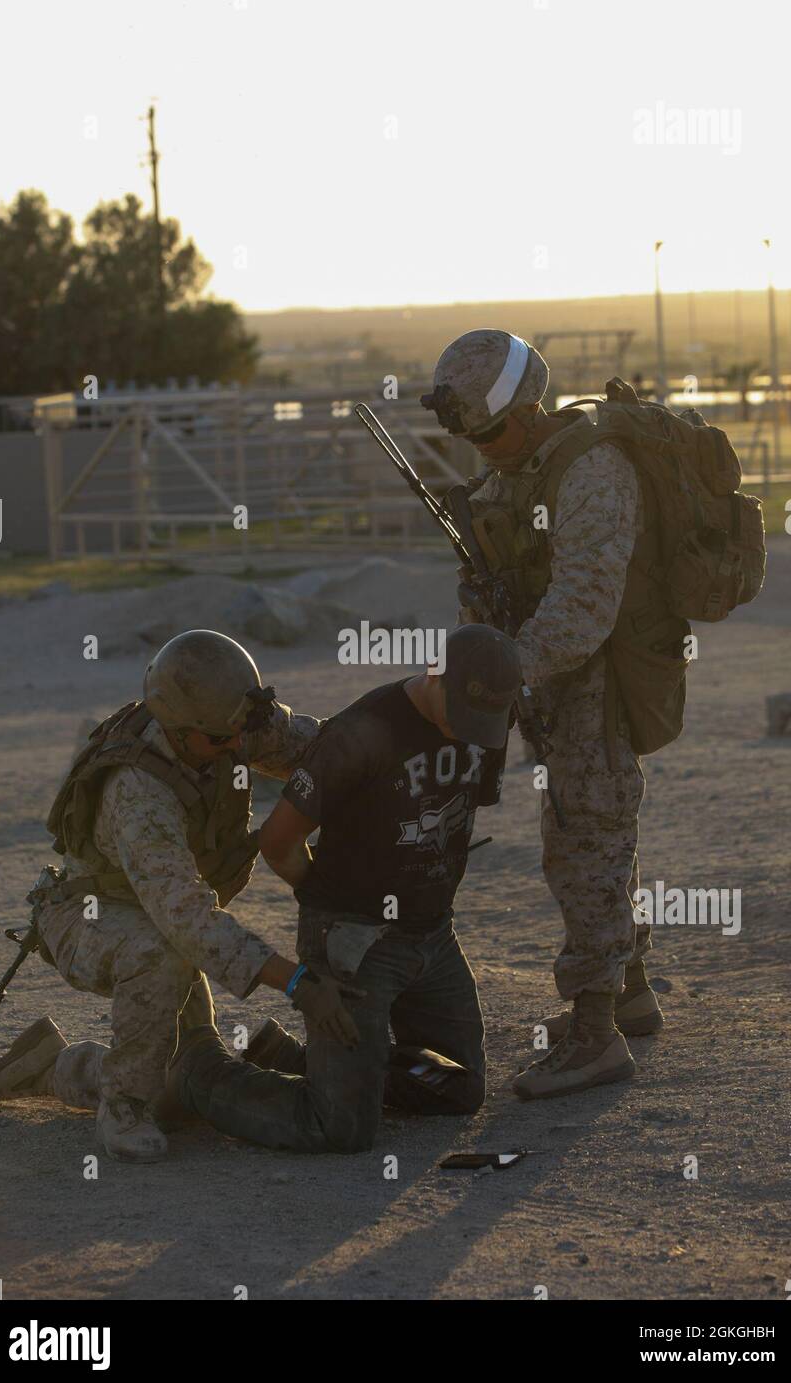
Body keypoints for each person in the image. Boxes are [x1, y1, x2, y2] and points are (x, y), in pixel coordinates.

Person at [0, 630, 342, 1163]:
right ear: (179, 730)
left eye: (241, 735)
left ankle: (53, 1065)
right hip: (90, 917)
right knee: (159, 960)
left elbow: (326, 748)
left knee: (180, 1086)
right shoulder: (137, 788)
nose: (236, 749)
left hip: (156, 916)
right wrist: (295, 981)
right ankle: (123, 1107)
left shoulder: (225, 722)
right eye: (219, 742)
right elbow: (184, 918)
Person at [421, 330, 668, 1101]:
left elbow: (586, 605)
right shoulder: (514, 471)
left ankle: (596, 1035)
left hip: (598, 673)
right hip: (549, 676)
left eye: (490, 432)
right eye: (467, 435)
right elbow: (494, 574)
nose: (480, 448)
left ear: (530, 408)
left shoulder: (593, 468)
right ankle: (627, 989)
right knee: (592, 826)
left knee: (583, 836)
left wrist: (507, 667)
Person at [166, 624, 520, 1153]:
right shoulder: (363, 732)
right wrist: (330, 901)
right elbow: (277, 840)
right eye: (464, 717)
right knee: (339, 1127)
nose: (471, 732)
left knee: (459, 1087)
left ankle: (302, 1062)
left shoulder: (486, 718)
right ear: (435, 675)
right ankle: (197, 1071)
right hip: (357, 941)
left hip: (432, 936)